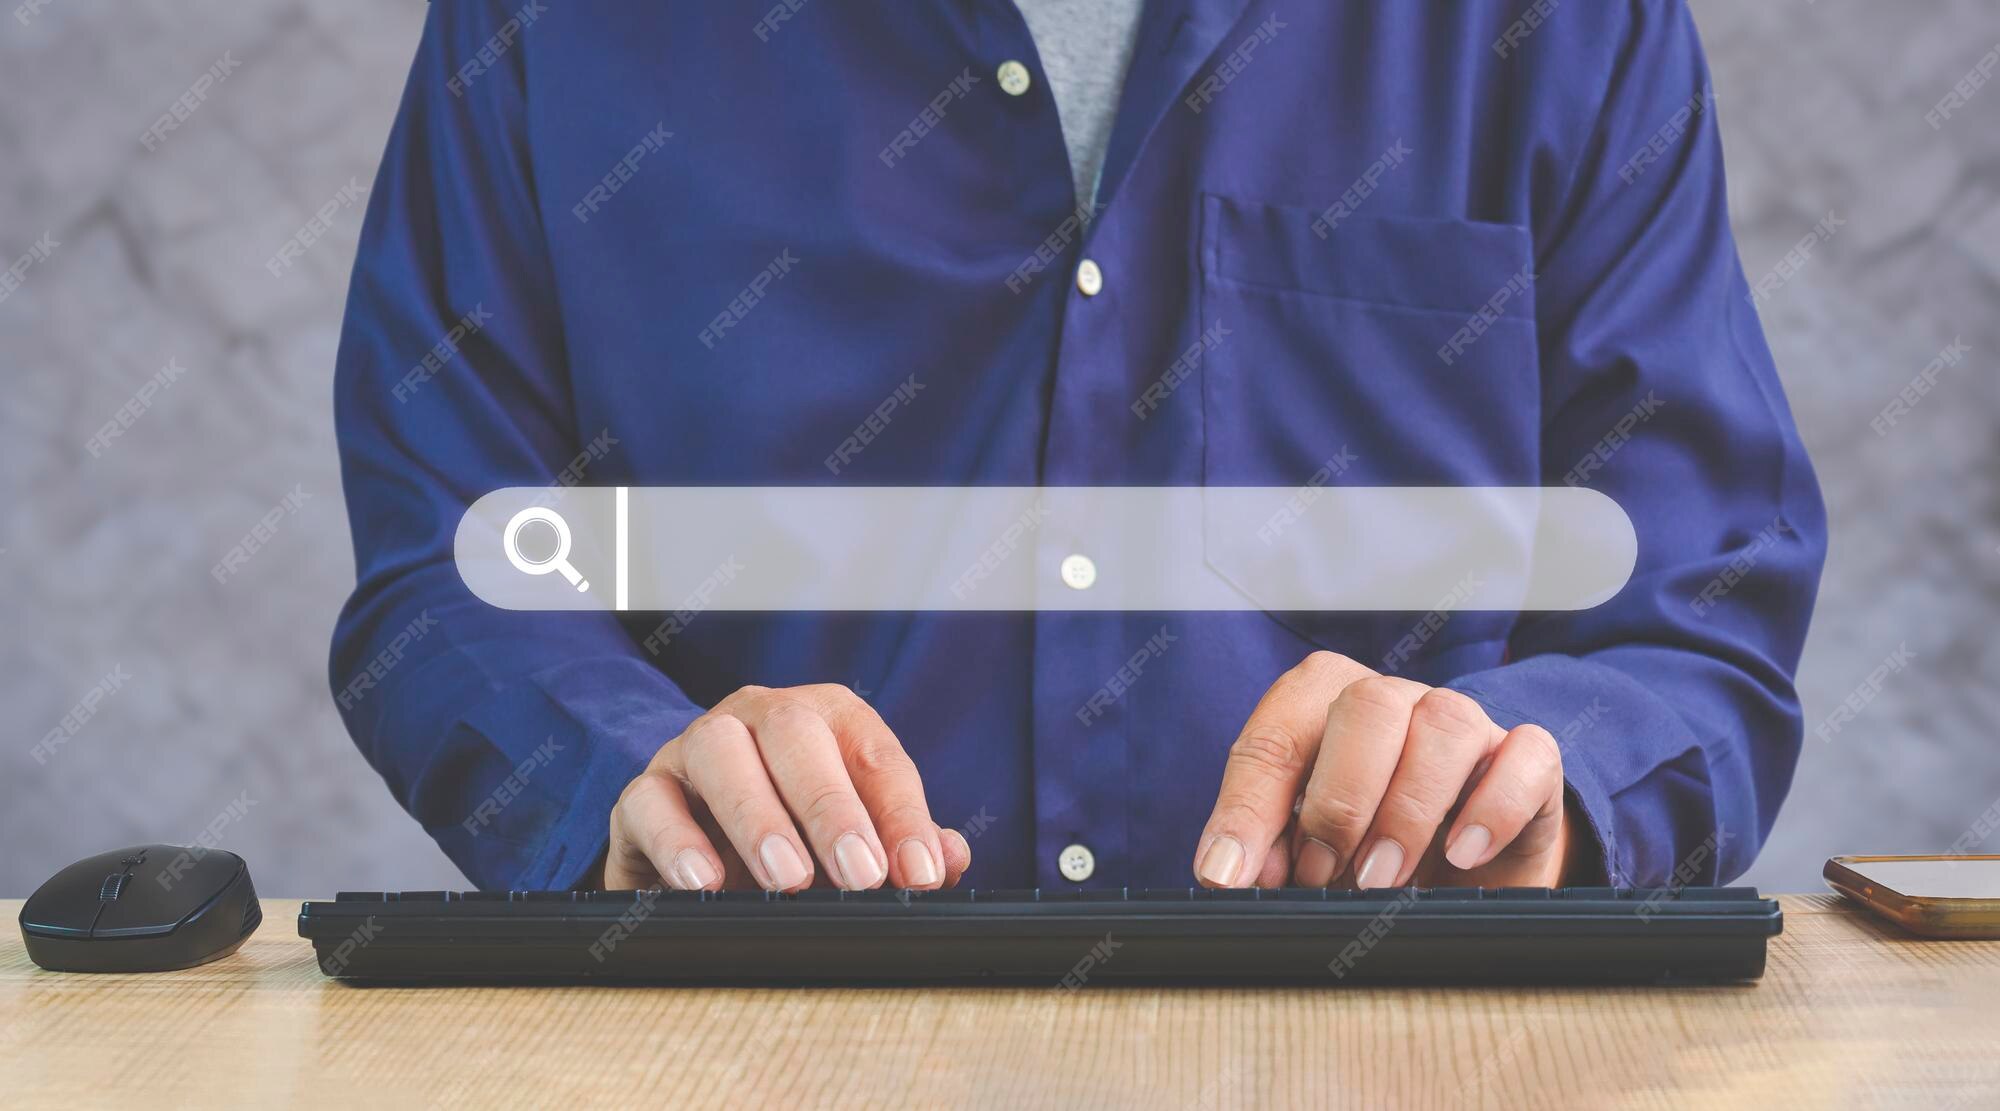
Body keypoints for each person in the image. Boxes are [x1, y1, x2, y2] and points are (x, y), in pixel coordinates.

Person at [330, 0, 1825, 896]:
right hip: (746, 1055)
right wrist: (626, 771)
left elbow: (1699, 615)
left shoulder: (1559, 23)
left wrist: (1532, 782)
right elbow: (450, 571)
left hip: (1395, 1060)